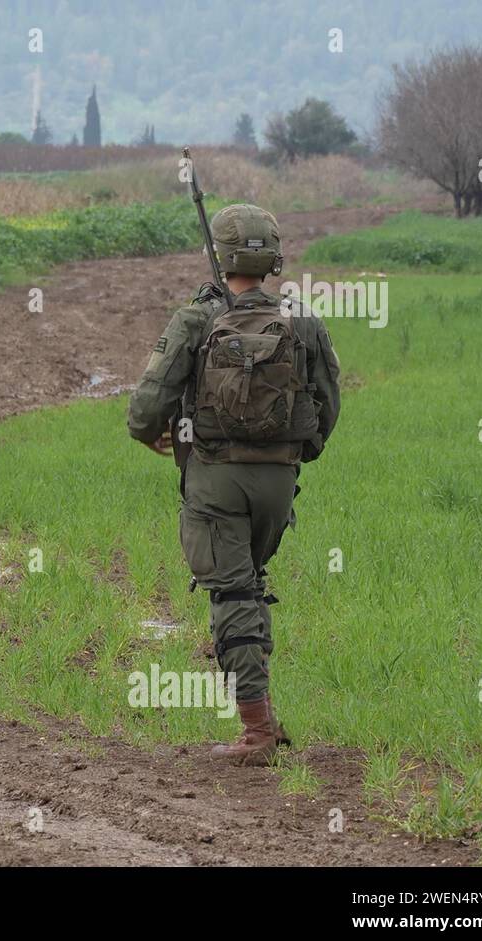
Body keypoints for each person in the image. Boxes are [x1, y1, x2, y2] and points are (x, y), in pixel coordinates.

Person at [127, 204, 341, 766]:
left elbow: (145, 408)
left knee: (233, 595)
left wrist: (158, 436)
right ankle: (264, 714)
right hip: (277, 487)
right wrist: (294, 455)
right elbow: (328, 404)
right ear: (272, 256)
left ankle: (256, 734)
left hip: (215, 483)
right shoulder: (303, 321)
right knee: (249, 587)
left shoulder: (194, 321)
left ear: (220, 259)